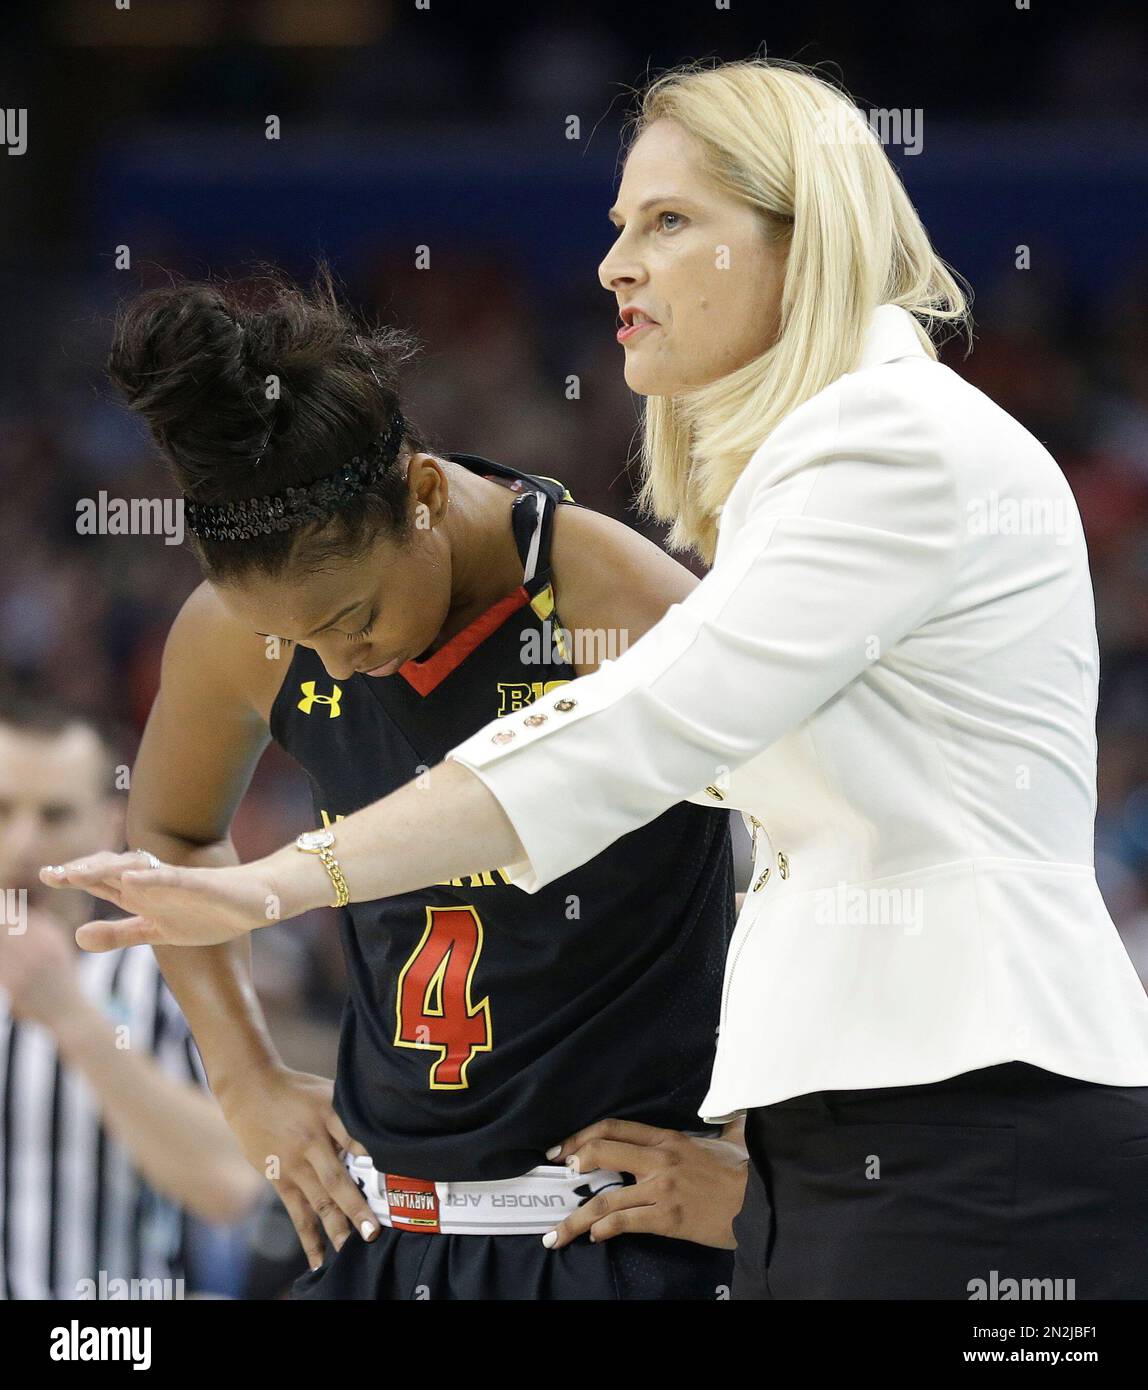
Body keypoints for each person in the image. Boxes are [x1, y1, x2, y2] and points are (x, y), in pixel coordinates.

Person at [47, 58, 1148, 1300]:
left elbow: (638, 725)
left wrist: (277, 884)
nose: (616, 263)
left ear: (804, 236)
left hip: (949, 1123)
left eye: (669, 222)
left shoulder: (879, 446)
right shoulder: (825, 465)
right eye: (619, 224)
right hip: (862, 1136)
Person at [46, 268, 745, 1300]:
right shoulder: (242, 633)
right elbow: (176, 835)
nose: (330, 664)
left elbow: (830, 847)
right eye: (295, 636)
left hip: (609, 1241)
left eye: (352, 620)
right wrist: (241, 1075)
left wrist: (766, 1162)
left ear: (420, 495)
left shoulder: (608, 595)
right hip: (380, 1231)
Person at [0, 684, 261, 1299]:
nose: (22, 846)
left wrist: (73, 1019)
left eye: (55, 815)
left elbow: (231, 1184)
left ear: (107, 823)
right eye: (1, 810)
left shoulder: (162, 971)